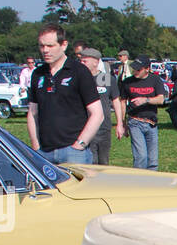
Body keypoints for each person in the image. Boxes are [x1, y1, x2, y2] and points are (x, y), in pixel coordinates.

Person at [26, 23, 102, 165]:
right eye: (42, 46)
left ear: (63, 45)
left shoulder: (79, 71)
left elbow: (97, 113)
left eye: (50, 46)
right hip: (44, 152)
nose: (45, 50)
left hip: (73, 153)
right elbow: (32, 112)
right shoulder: (38, 73)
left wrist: (79, 145)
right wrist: (36, 146)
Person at [119, 57, 165, 170]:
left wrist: (145, 100)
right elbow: (122, 102)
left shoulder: (155, 80)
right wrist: (122, 123)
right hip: (135, 122)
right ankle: (139, 182)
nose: (135, 71)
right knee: (141, 157)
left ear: (147, 69)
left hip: (151, 123)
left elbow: (161, 99)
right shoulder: (127, 82)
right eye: (134, 69)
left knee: (153, 160)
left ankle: (151, 184)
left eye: (138, 69)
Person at [77, 47, 115, 165]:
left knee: (103, 161)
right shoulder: (80, 79)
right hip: (85, 126)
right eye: (81, 61)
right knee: (90, 161)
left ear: (96, 62)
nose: (81, 64)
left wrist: (120, 123)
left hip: (104, 126)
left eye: (85, 61)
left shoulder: (106, 78)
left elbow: (116, 99)